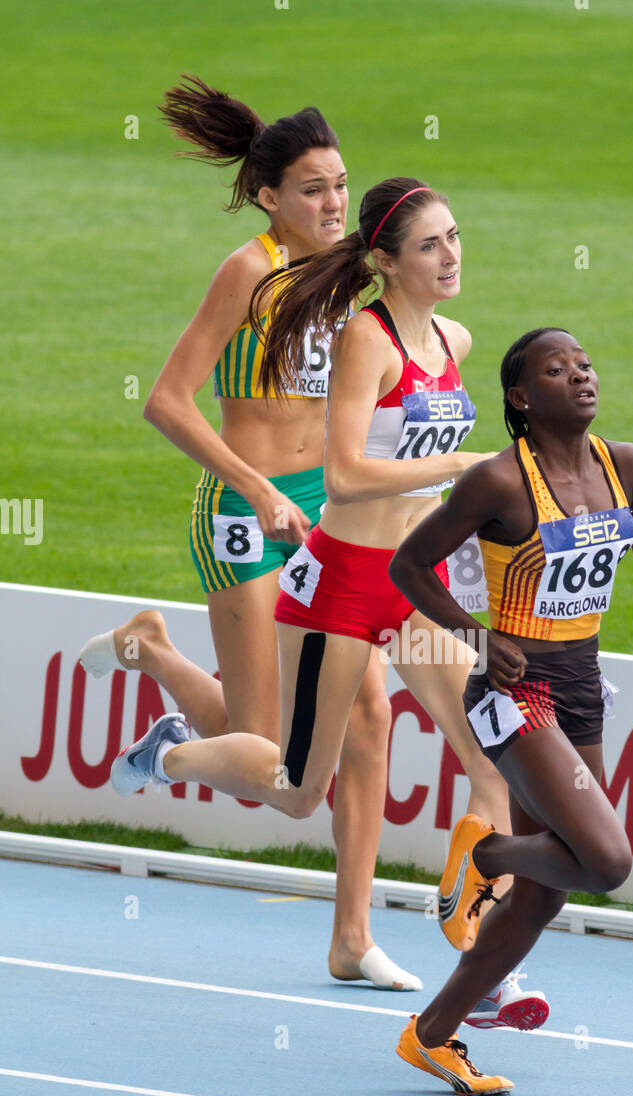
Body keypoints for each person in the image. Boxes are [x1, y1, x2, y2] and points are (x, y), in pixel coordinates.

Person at [109, 178, 549, 1031]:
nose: (451, 255)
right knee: (297, 788)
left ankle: (480, 958)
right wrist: (463, 465)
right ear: (386, 262)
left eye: (456, 237)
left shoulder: (452, 340)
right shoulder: (365, 342)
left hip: (413, 586)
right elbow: (344, 476)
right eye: (430, 245)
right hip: (339, 585)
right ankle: (172, 754)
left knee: (490, 753)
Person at [79, 75, 414, 991]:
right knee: (269, 752)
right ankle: (164, 713)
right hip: (244, 514)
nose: (335, 201)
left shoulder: (353, 270)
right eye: (314, 188)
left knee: (372, 713)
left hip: (326, 518)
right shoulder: (250, 270)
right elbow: (167, 402)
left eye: (341, 184)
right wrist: (259, 487)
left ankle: (351, 936)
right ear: (270, 196)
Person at [387, 327, 633, 1093]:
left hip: (581, 683)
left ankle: (431, 1035)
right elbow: (408, 565)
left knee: (546, 895)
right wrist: (475, 638)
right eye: (558, 370)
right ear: (522, 397)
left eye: (586, 364)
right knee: (609, 862)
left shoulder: (626, 466)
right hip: (511, 687)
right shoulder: (499, 482)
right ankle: (483, 857)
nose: (582, 376)